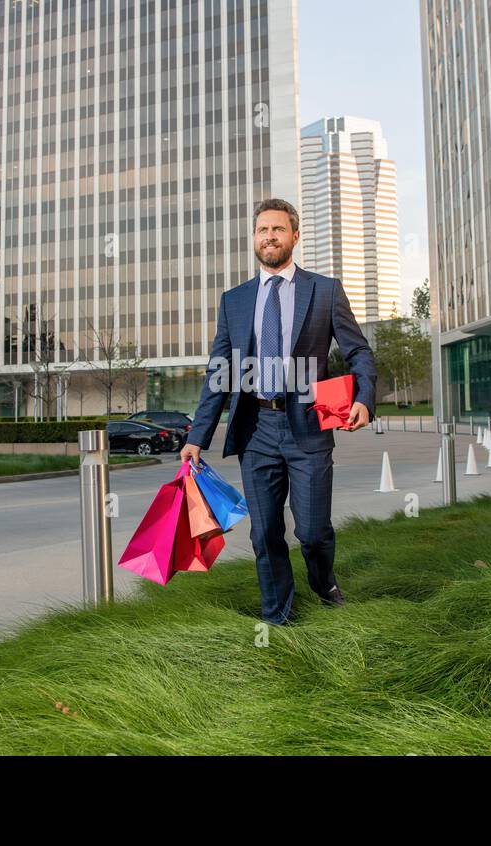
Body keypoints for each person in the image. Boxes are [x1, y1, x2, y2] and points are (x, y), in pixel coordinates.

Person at [179, 198, 377, 625]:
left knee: (312, 532)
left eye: (278, 229)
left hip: (308, 427)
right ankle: (278, 618)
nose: (269, 237)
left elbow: (358, 351)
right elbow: (220, 371)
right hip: (256, 430)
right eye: (262, 230)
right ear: (254, 238)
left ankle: (323, 581)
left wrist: (363, 397)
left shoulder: (324, 291)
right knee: (264, 532)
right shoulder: (234, 300)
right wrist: (198, 436)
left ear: (295, 236)